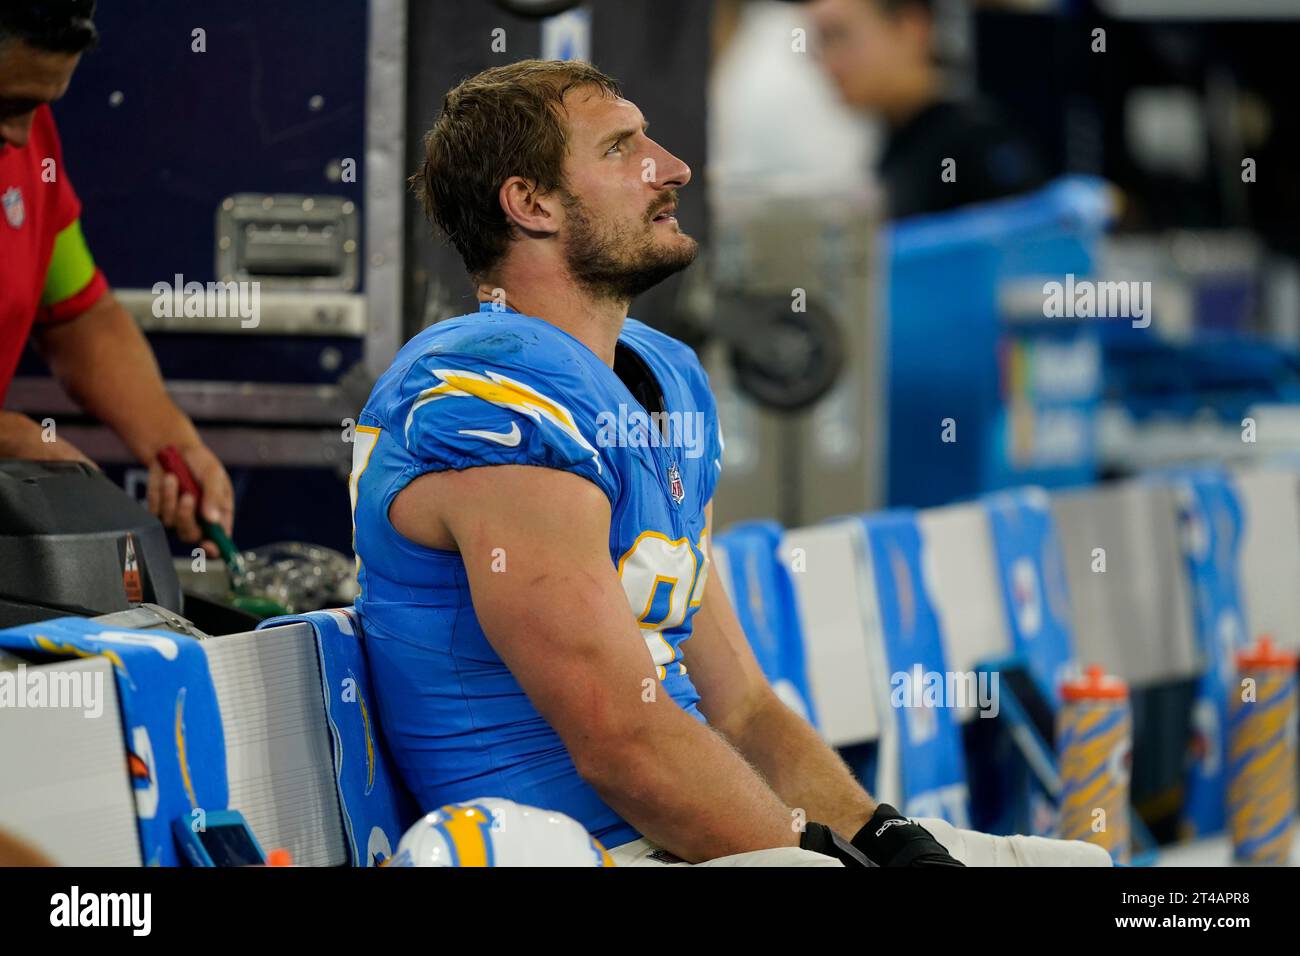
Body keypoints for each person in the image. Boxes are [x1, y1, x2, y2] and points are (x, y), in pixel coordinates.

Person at [352, 58, 1105, 867]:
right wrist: (824, 858)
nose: (671, 168)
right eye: (620, 149)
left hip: (698, 834)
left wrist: (886, 838)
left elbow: (742, 706)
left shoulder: (661, 373)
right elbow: (619, 739)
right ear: (530, 203)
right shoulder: (490, 400)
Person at [0, 1, 233, 555]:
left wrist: (170, 442)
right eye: (7, 104)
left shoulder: (29, 140)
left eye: (38, 104)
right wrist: (10, 438)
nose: (20, 134)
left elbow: (77, 313)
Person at [809, 0, 1048, 219]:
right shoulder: (896, 143)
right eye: (820, 42)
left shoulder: (975, 145)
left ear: (911, 27)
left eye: (838, 35)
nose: (829, 62)